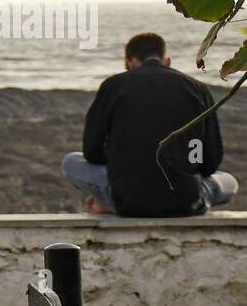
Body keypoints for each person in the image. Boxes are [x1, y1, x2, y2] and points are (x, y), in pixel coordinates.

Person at [63, 32, 238, 216]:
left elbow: (91, 151)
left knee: (71, 162)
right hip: (187, 203)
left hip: (129, 202)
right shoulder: (198, 89)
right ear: (167, 61)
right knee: (229, 181)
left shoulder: (113, 86)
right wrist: (186, 160)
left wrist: (123, 160)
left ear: (130, 62)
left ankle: (107, 201)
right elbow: (210, 162)